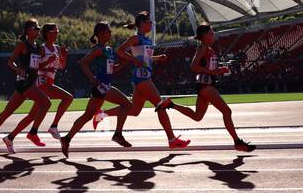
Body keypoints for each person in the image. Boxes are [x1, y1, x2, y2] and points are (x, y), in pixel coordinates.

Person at [103, 11, 189, 149]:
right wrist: (133, 59)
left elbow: (145, 59)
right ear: (142, 24)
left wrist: (157, 58)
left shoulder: (148, 40)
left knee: (134, 110)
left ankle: (102, 114)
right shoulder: (135, 38)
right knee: (161, 105)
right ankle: (172, 139)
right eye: (149, 22)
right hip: (141, 77)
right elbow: (119, 51)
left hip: (145, 76)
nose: (151, 24)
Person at [166, 24, 255, 152]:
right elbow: (193, 66)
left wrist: (219, 70)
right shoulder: (202, 47)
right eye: (211, 32)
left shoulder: (209, 49)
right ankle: (237, 142)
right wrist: (212, 72)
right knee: (227, 111)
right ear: (204, 35)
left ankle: (171, 104)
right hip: (204, 85)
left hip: (207, 84)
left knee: (197, 117)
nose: (214, 34)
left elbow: (209, 68)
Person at [60, 22, 133, 156]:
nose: (110, 34)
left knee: (87, 115)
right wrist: (92, 78)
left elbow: (111, 70)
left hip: (105, 85)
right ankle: (117, 134)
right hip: (102, 86)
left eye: (110, 31)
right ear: (100, 34)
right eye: (108, 31)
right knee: (126, 104)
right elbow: (83, 63)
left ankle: (67, 138)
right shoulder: (98, 49)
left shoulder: (109, 50)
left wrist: (122, 65)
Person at [0, 19, 50, 153]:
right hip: (24, 82)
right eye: (36, 28)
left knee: (7, 112)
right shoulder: (22, 45)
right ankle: (33, 133)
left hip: (30, 81)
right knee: (46, 103)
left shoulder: (38, 47)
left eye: (39, 28)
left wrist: (47, 62)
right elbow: (10, 62)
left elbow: (37, 67)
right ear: (28, 30)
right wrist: (18, 70)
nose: (38, 30)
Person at [24, 22, 75, 140]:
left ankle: (11, 136)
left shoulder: (57, 48)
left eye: (58, 32)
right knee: (68, 98)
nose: (57, 34)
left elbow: (61, 66)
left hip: (50, 82)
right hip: (41, 82)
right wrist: (48, 63)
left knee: (32, 115)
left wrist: (65, 56)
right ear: (47, 34)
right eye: (54, 32)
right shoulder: (41, 48)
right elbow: (35, 68)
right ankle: (54, 126)